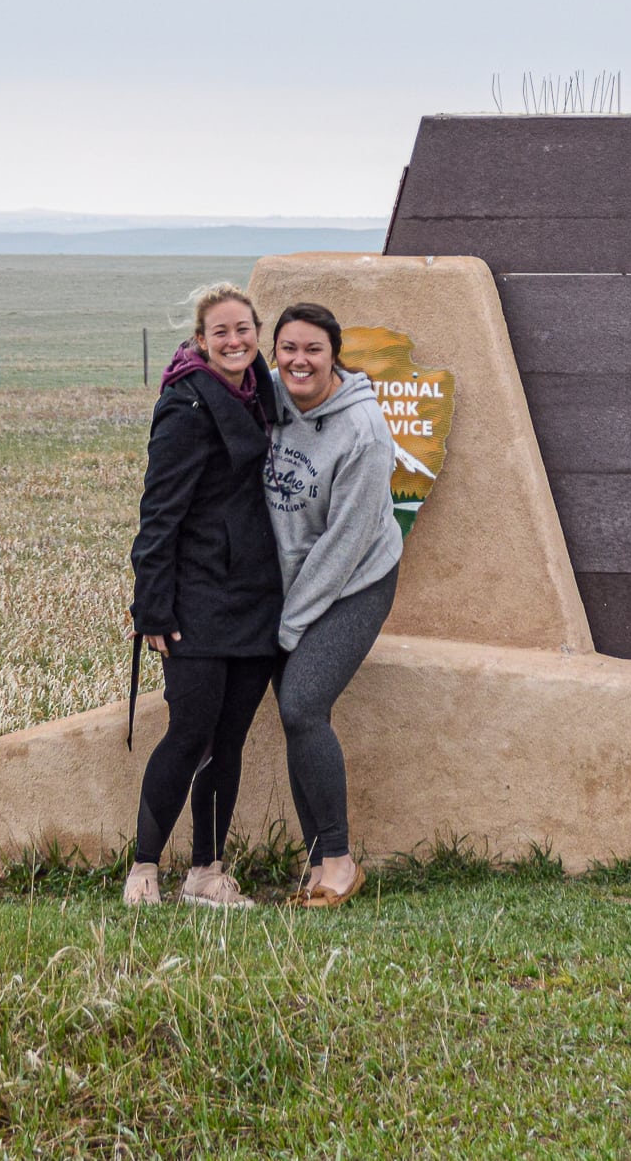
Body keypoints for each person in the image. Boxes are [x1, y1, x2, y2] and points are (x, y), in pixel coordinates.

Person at [124, 284, 283, 908]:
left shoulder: (262, 393)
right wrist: (152, 607)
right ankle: (143, 868)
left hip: (256, 593)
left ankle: (206, 873)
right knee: (190, 732)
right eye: (221, 332)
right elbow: (157, 514)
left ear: (256, 332)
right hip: (196, 599)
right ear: (201, 338)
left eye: (243, 329)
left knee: (231, 739)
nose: (234, 341)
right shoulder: (186, 405)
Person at [263, 302, 403, 907]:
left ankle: (341, 862)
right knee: (299, 719)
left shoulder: (364, 432)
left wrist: (290, 626)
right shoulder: (266, 399)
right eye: (288, 348)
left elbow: (343, 545)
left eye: (313, 349)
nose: (300, 360)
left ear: (333, 355)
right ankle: (319, 862)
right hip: (282, 585)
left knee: (301, 705)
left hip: (354, 582)